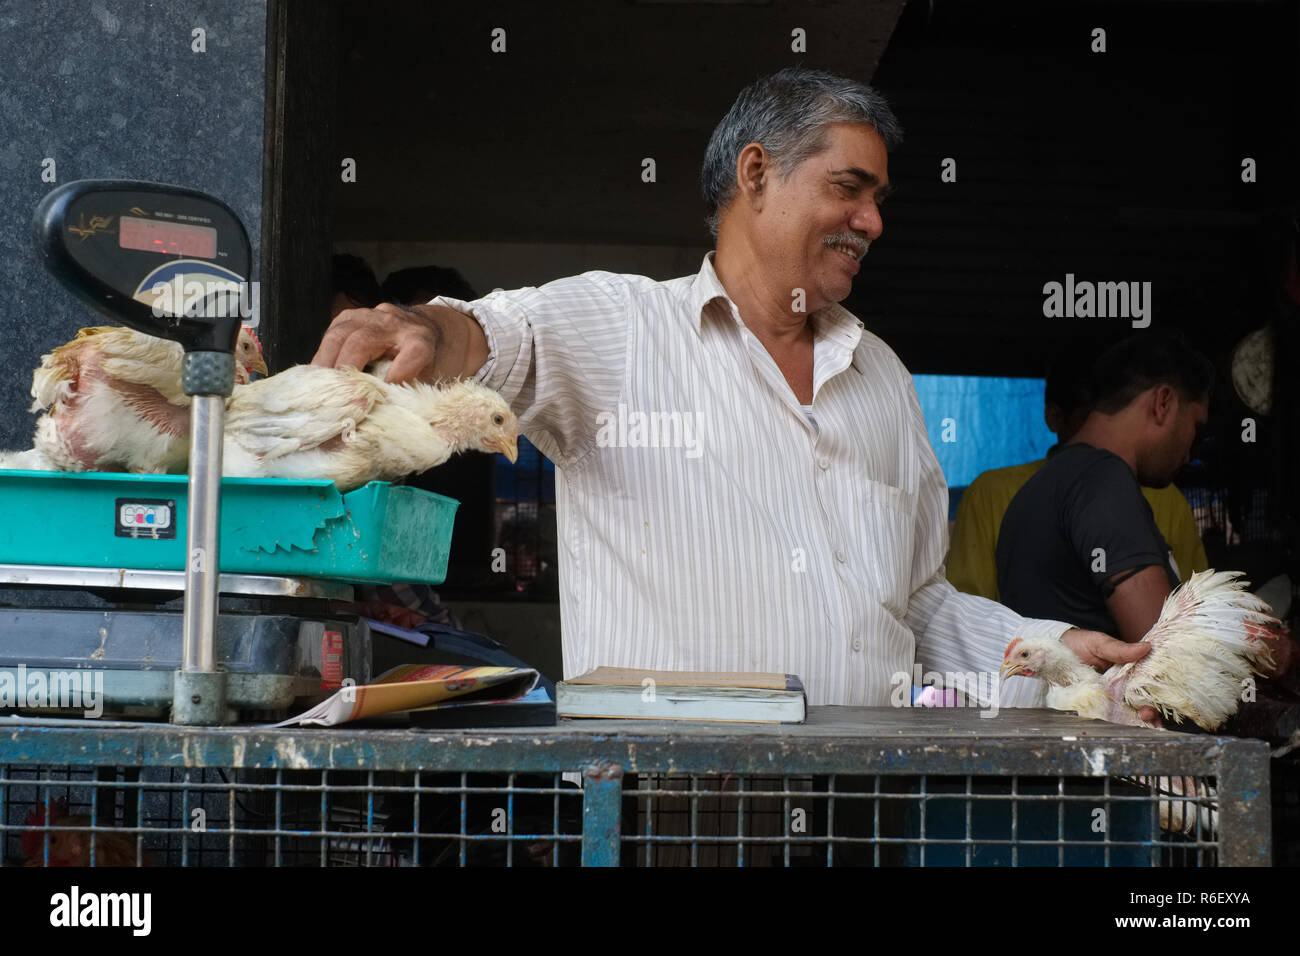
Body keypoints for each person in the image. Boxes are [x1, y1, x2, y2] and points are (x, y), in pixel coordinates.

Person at [312, 66, 1152, 710]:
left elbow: (917, 605)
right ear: (756, 173)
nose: (874, 222)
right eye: (849, 189)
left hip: (865, 806)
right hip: (676, 807)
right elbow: (500, 339)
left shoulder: (883, 377)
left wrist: (1058, 649)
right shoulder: (623, 327)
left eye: (880, 200)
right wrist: (428, 329)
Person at [948, 343, 1208, 601]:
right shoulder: (1103, 479)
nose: (1189, 455)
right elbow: (1158, 637)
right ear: (1163, 403)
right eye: (1196, 428)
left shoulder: (1034, 488)